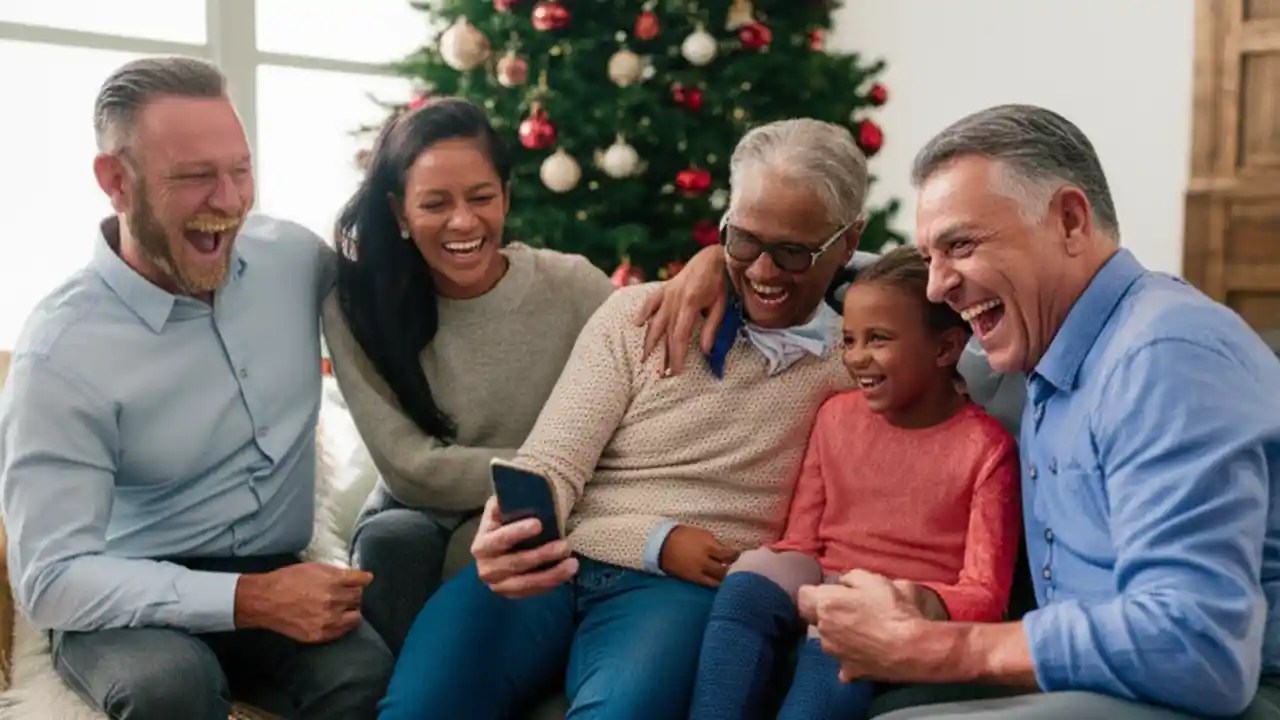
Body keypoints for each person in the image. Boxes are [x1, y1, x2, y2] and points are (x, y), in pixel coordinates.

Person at [650, 104, 1280, 718]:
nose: (937, 286)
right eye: (930, 257)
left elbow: (1199, 648)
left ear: (1068, 221)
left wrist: (932, 647)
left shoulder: (1160, 358)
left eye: (961, 245)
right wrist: (720, 262)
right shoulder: (1051, 339)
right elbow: (873, 289)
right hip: (1096, 680)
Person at [376, 118, 901, 719]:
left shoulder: (858, 365)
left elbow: (930, 297)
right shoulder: (637, 315)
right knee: (417, 708)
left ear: (848, 239)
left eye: (794, 253)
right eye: (745, 241)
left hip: (679, 592)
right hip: (553, 560)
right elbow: (553, 462)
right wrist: (523, 529)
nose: (762, 271)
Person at [0, 56, 392, 719]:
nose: (231, 200)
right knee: (170, 691)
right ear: (115, 182)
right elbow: (51, 579)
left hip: (275, 560)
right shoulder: (61, 351)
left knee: (363, 673)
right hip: (122, 590)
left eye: (240, 171)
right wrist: (251, 601)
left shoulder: (291, 260)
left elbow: (411, 300)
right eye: (195, 177)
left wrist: (619, 309)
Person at [321, 96, 614, 656]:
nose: (463, 221)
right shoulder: (359, 305)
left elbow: (636, 408)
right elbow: (413, 469)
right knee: (391, 543)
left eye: (481, 197)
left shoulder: (576, 288)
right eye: (435, 203)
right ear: (399, 212)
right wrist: (552, 471)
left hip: (551, 499)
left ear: (505, 195)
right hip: (423, 508)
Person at [689, 246, 1021, 720]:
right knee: (753, 578)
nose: (857, 358)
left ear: (945, 348)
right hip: (824, 578)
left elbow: (986, 594)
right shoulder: (836, 416)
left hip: (901, 603)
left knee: (843, 626)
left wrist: (909, 602)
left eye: (878, 339)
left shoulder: (986, 448)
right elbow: (802, 538)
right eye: (849, 340)